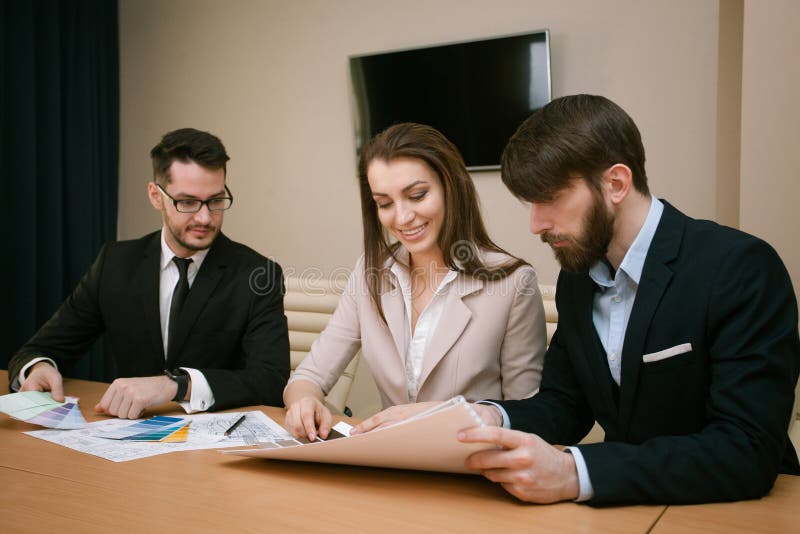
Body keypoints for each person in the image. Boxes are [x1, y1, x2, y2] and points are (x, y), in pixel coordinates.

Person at [456, 94, 800, 505]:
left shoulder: (740, 267)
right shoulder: (576, 280)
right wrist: (482, 417)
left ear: (616, 183)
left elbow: (745, 450)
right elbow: (565, 404)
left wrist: (573, 473)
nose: (536, 224)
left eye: (550, 198)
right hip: (629, 509)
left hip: (740, 509)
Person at [284, 123, 547, 441]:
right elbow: (309, 375)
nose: (402, 217)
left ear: (451, 187)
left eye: (417, 195)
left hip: (471, 469)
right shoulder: (370, 273)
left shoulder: (513, 282)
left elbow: (529, 415)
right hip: (391, 466)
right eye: (384, 203)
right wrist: (305, 400)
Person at [8, 128, 290, 418]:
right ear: (156, 196)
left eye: (216, 201)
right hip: (124, 438)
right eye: (188, 202)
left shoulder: (258, 273)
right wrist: (39, 367)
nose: (205, 217)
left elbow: (271, 380)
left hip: (217, 445)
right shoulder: (115, 264)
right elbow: (38, 350)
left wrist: (177, 386)